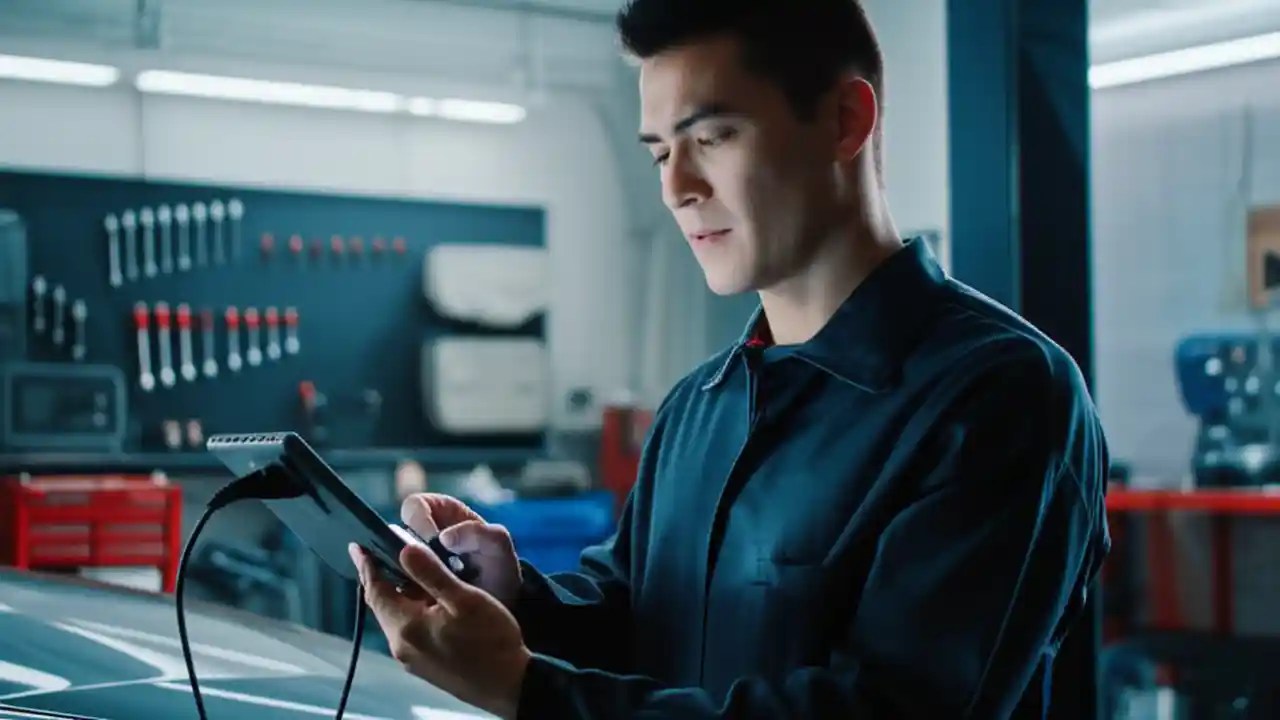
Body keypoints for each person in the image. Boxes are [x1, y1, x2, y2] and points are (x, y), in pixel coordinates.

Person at [346, 0, 1112, 717]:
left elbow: (886, 707)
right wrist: (517, 600)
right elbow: (640, 618)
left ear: (845, 121)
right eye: (659, 154)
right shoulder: (697, 406)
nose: (678, 187)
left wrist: (531, 693)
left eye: (712, 138)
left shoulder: (999, 396)